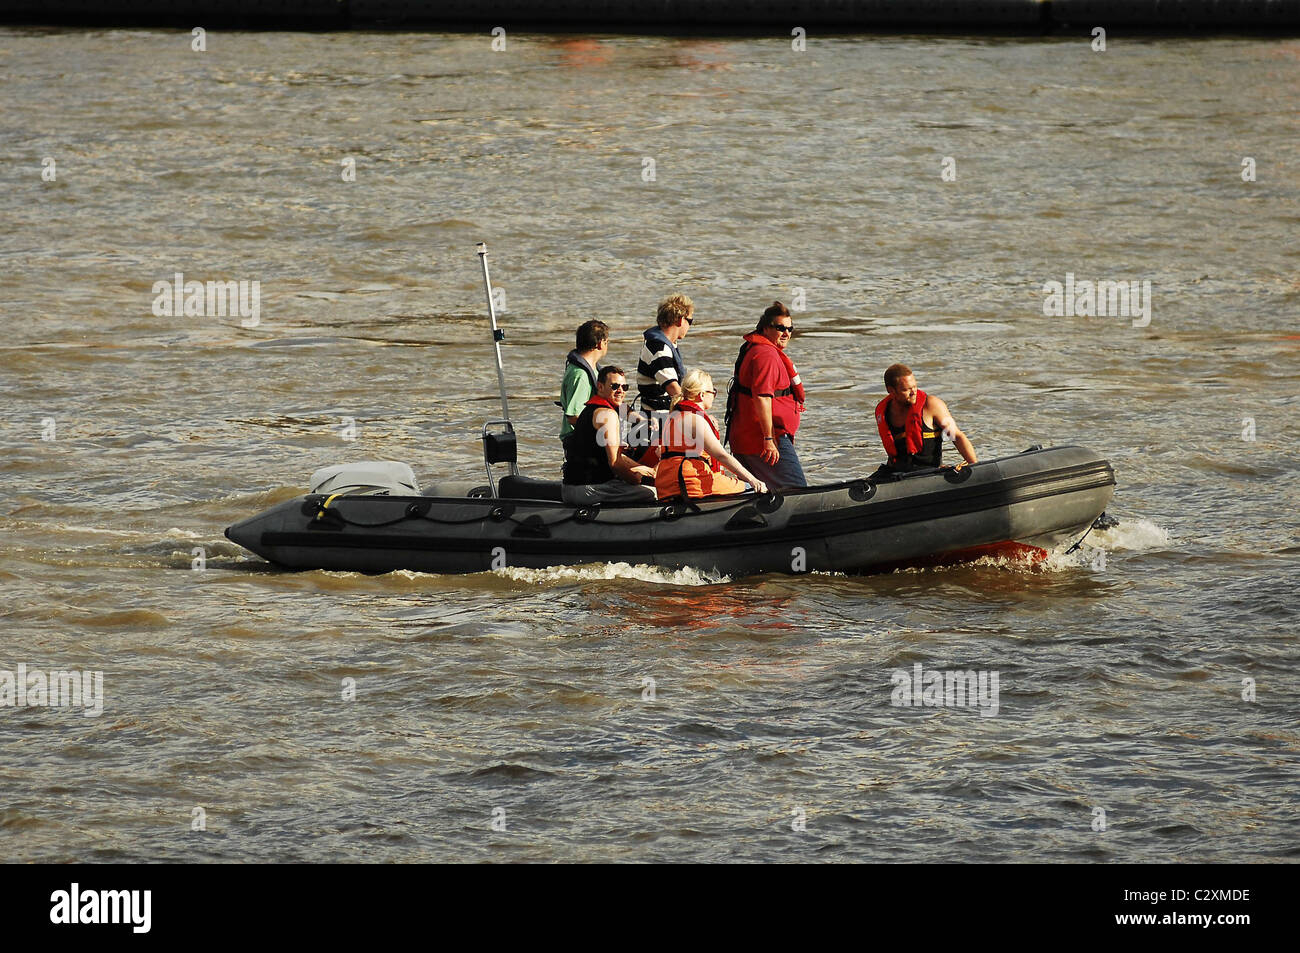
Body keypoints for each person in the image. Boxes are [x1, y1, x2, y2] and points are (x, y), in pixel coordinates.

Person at [724, 301, 808, 489]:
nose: (786, 333)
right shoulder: (766, 355)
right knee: (796, 491)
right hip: (763, 440)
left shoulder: (754, 348)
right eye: (780, 328)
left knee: (762, 492)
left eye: (790, 328)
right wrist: (768, 439)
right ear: (765, 328)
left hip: (746, 437)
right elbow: (762, 397)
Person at [656, 369, 768, 500]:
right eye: (713, 392)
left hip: (666, 484)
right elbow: (721, 456)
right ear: (702, 395)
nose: (714, 395)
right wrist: (754, 481)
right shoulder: (694, 419)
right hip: (690, 483)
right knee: (751, 488)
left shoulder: (673, 417)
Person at [562, 366, 657, 505]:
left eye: (624, 387)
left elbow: (614, 456)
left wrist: (645, 469)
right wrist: (636, 479)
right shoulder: (608, 415)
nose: (620, 391)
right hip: (587, 490)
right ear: (600, 387)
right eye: (615, 386)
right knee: (655, 493)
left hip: (572, 487)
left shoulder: (591, 409)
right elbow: (615, 464)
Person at [872, 363, 977, 476]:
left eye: (914, 387)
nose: (913, 392)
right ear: (891, 391)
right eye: (906, 390)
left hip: (928, 472)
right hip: (896, 473)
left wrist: (975, 468)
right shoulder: (883, 412)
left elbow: (956, 436)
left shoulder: (932, 405)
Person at [637, 293, 693, 413]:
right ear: (680, 320)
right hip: (655, 423)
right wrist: (697, 413)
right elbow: (672, 388)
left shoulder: (667, 345)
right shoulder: (658, 347)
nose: (690, 326)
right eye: (690, 321)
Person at [558, 319, 608, 439]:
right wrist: (606, 430)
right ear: (601, 344)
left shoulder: (592, 369)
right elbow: (574, 416)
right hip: (580, 443)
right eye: (607, 342)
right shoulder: (580, 375)